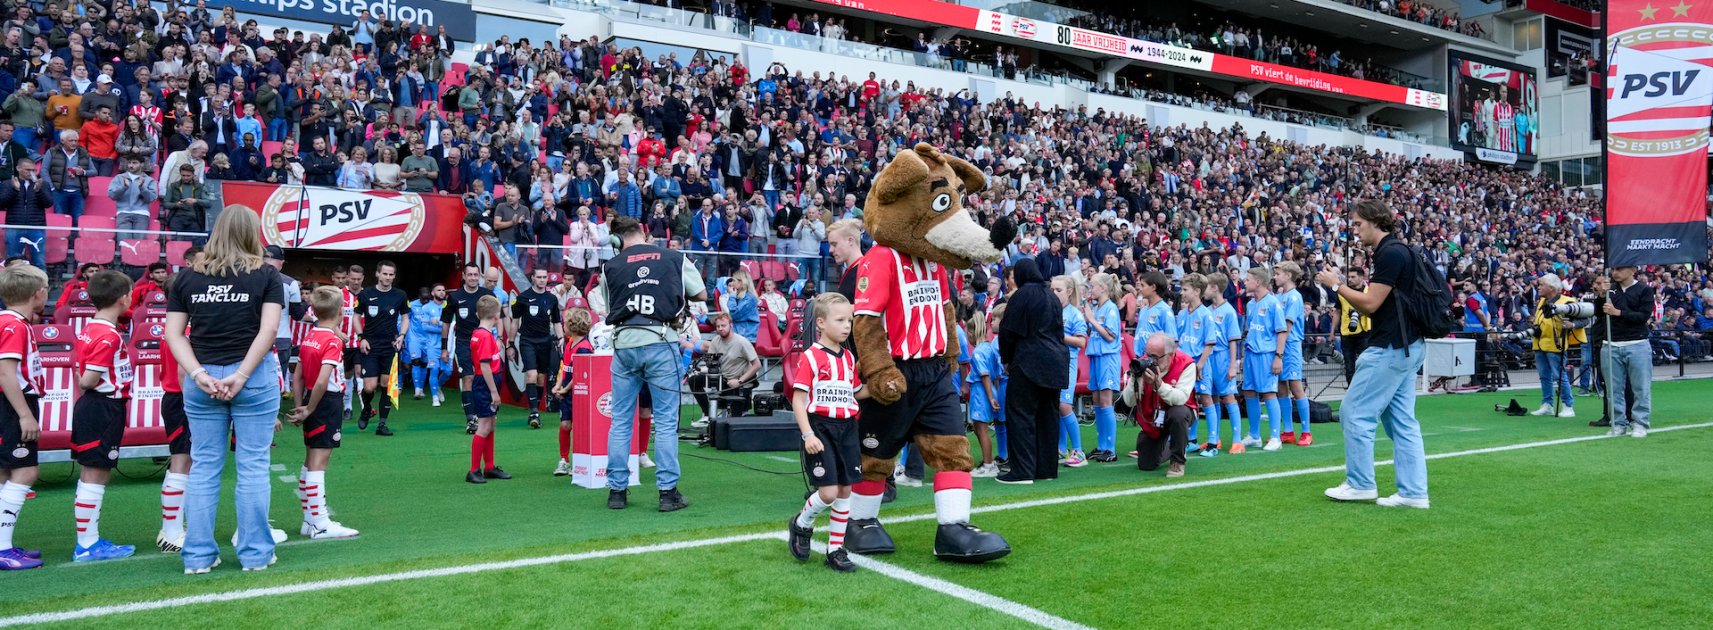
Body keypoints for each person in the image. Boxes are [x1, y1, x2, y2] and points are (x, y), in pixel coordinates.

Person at [165, 207, 287, 572]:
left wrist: (199, 374)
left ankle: (198, 557)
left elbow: (174, 334)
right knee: (252, 466)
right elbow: (269, 333)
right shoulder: (266, 274)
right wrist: (243, 374)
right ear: (252, 232)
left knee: (203, 467)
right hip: (252, 378)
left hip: (203, 381)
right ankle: (255, 555)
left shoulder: (187, 277)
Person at [1314, 199, 1430, 509]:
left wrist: (1336, 285)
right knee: (1402, 423)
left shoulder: (1390, 253)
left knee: (1355, 412)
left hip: (1390, 347)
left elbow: (1370, 303)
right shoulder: (1397, 251)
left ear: (1375, 222)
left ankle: (1361, 484)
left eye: (1358, 224)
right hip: (1407, 346)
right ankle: (1413, 492)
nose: (1354, 230)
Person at [597, 216, 705, 511]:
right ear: (644, 233)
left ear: (616, 241)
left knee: (620, 421)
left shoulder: (610, 267)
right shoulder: (674, 257)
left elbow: (610, 308)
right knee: (667, 422)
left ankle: (617, 492)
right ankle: (667, 493)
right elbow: (702, 294)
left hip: (624, 345)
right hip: (661, 340)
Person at [785, 293, 867, 573]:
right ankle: (801, 523)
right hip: (820, 428)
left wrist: (884, 386)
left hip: (847, 429)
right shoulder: (811, 357)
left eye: (850, 320)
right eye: (840, 320)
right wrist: (808, 434)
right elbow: (798, 399)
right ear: (820, 323)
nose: (847, 326)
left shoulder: (848, 358)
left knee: (845, 490)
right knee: (829, 492)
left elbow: (857, 392)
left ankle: (835, 549)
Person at [69, 270, 136, 562]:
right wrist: (85, 381)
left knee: (90, 474)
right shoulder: (107, 335)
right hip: (104, 406)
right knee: (96, 474)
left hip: (95, 406)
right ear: (123, 299)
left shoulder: (90, 327)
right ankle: (87, 544)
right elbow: (87, 380)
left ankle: (88, 540)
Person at [287, 287, 360, 539]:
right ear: (341, 311)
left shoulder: (309, 337)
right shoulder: (331, 341)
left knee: (310, 460)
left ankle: (310, 520)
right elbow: (321, 380)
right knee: (319, 462)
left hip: (310, 399)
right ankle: (319, 523)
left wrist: (301, 406)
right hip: (325, 402)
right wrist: (309, 409)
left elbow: (297, 377)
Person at [996, 259, 1069, 484]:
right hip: (1056, 362)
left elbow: (1007, 331)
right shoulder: (1052, 297)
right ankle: (1046, 469)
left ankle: (1022, 471)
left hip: (1029, 361)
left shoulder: (1021, 296)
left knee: (1020, 415)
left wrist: (1007, 358)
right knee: (1048, 416)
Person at [0, 265, 49, 570]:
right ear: (37, 293)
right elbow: (6, 372)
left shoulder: (11, 321)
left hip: (9, 403)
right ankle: (3, 549)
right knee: (26, 472)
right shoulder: (14, 325)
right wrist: (24, 415)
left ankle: (3, 545)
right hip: (12, 404)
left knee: (5, 473)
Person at [153, 272, 192, 555]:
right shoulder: (184, 331)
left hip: (174, 398)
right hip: (181, 400)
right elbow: (182, 372)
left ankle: (173, 526)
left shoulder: (171, 327)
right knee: (181, 462)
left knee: (183, 463)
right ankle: (171, 531)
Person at [1125, 332, 1199, 477]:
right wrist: (1135, 379)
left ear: (1170, 355)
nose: (1150, 360)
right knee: (1146, 465)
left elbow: (1180, 398)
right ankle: (1174, 446)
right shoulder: (1142, 364)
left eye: (1155, 357)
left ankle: (1178, 461)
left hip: (1178, 412)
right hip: (1154, 418)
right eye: (1148, 355)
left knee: (1178, 414)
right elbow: (1128, 402)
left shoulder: (1187, 364)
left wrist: (1159, 385)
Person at [356, 261, 409, 436]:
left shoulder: (400, 295)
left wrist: (401, 336)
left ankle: (382, 424)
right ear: (377, 274)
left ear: (394, 276)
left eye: (391, 274)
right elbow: (357, 317)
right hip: (370, 345)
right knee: (370, 387)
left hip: (390, 345)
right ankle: (366, 410)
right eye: (385, 274)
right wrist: (361, 337)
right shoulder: (366, 294)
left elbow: (405, 318)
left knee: (387, 385)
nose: (388, 277)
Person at [1601, 265, 1655, 438]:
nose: (1615, 273)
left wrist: (1618, 312)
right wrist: (1601, 296)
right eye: (1614, 269)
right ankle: (1618, 423)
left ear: (1632, 270)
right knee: (1613, 389)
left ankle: (1640, 423)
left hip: (1637, 342)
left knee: (1641, 387)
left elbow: (1643, 317)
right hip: (1611, 343)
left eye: (1619, 269)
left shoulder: (1644, 290)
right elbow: (1599, 314)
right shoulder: (1610, 290)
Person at [1239, 267, 1288, 452]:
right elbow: (1251, 330)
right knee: (1249, 392)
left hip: (1266, 355)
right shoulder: (1251, 304)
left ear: (1258, 282)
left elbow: (1281, 332)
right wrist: (1244, 355)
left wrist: (1278, 357)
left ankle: (1276, 437)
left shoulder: (1273, 303)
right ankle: (1254, 435)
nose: (1245, 281)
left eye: (1248, 279)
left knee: (1268, 393)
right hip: (1251, 354)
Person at [465, 295, 511, 484]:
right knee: (484, 426)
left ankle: (489, 467)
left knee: (490, 424)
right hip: (485, 384)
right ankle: (474, 470)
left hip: (487, 381)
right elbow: (484, 366)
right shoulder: (484, 336)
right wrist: (494, 391)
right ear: (496, 315)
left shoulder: (480, 333)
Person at [511, 268, 562, 429]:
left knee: (541, 378)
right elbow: (514, 321)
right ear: (532, 278)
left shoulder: (552, 299)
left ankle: (535, 410)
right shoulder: (523, 297)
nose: (542, 280)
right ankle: (534, 412)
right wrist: (510, 344)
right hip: (527, 341)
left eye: (544, 277)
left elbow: (556, 322)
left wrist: (561, 338)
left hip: (545, 341)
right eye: (538, 277)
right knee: (531, 375)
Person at [1176, 273, 1220, 456]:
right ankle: (1191, 440)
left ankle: (1212, 443)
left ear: (1196, 291)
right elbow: (1178, 340)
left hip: (1199, 364)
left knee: (1206, 399)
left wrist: (1200, 365)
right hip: (1184, 365)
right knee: (1188, 401)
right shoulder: (1182, 314)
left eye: (1185, 290)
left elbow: (1210, 343)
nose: (1182, 293)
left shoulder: (1206, 315)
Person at [1530, 273, 1585, 418]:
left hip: (1556, 345)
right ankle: (1547, 404)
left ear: (1551, 287)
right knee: (1544, 376)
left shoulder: (1567, 301)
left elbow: (1584, 320)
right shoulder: (1542, 301)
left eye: (1542, 285)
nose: (1539, 287)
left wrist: (1572, 324)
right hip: (1539, 343)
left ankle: (1568, 405)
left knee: (1559, 376)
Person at [1051, 275, 1091, 464]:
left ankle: (1078, 451)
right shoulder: (1051, 311)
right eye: (1051, 290)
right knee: (1056, 406)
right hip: (1053, 363)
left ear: (1069, 291)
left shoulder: (1074, 314)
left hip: (1067, 363)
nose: (1054, 293)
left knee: (1064, 405)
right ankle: (1060, 448)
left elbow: (1081, 342)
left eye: (1058, 290)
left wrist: (1059, 336)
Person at [551, 307, 595, 476]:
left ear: (573, 326)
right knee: (565, 424)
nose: (563, 326)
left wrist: (564, 389)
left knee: (580, 427)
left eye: (565, 323)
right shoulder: (570, 344)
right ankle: (564, 460)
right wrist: (558, 385)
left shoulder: (584, 347)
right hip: (567, 394)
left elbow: (579, 374)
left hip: (580, 394)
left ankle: (580, 460)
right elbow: (566, 369)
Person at [442, 264, 486, 433]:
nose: (473, 278)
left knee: (481, 379)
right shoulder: (454, 297)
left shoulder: (486, 295)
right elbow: (445, 324)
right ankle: (470, 419)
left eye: (476, 274)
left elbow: (497, 317)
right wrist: (444, 348)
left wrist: (497, 338)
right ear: (464, 276)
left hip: (483, 342)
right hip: (463, 342)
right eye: (470, 274)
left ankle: (483, 414)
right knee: (468, 378)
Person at [1273, 262, 1312, 446]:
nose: (1275, 277)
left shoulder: (1294, 298)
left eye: (1278, 273)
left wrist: (1278, 353)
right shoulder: (1280, 296)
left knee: (1295, 386)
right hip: (1280, 345)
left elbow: (1286, 328)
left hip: (1290, 346)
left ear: (1288, 275)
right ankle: (1288, 431)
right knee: (1281, 386)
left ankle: (1306, 431)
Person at [694, 312, 761, 417]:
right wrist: (703, 368)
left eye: (723, 325)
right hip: (722, 378)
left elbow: (757, 365)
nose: (720, 328)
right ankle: (707, 413)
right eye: (718, 326)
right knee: (694, 380)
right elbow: (711, 363)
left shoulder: (742, 342)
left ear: (731, 325)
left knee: (735, 419)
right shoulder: (716, 341)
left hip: (739, 380)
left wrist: (739, 381)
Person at [966, 313, 1005, 477]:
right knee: (979, 428)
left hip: (980, 392)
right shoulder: (990, 348)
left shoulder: (978, 352)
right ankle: (989, 461)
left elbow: (985, 375)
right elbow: (996, 374)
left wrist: (990, 397)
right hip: (987, 390)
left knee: (981, 429)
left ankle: (988, 464)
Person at [0, 158, 51, 268]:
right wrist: (14, 190)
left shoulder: (42, 184)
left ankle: (42, 284)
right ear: (18, 169)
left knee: (39, 260)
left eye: (33, 170)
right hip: (14, 226)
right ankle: (12, 285)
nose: (31, 173)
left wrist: (39, 191)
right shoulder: (8, 184)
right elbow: (2, 203)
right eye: (27, 170)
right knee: (13, 261)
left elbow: (48, 203)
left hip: (36, 226)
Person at [409, 284, 446, 405]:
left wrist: (441, 326)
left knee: (428, 366)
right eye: (423, 298)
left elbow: (451, 324)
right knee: (416, 361)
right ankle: (418, 389)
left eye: (427, 298)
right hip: (416, 339)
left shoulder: (442, 306)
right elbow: (404, 319)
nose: (425, 300)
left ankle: (433, 387)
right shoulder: (412, 305)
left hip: (435, 342)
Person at [108, 157, 159, 241]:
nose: (131, 165)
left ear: (142, 164)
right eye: (129, 163)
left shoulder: (149, 180)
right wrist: (123, 187)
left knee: (139, 244)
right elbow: (112, 195)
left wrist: (142, 188)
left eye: (134, 163)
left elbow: (151, 198)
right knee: (124, 243)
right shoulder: (119, 178)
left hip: (142, 213)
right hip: (123, 212)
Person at [1337, 268, 1372, 386]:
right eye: (1349, 277)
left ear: (1361, 277)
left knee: (1366, 363)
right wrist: (1332, 332)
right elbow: (1337, 312)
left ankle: (1365, 388)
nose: (1350, 279)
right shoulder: (1343, 292)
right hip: (1347, 332)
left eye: (1353, 277)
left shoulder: (1370, 291)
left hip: (1365, 331)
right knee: (1349, 365)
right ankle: (1351, 391)